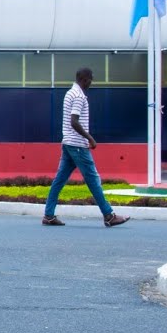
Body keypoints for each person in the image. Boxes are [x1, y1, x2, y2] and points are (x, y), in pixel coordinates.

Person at [42, 67, 129, 228]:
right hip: (77, 145)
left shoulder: (70, 93)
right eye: (91, 79)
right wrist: (90, 138)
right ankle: (109, 215)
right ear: (85, 79)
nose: (91, 83)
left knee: (59, 180)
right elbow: (74, 121)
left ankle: (48, 215)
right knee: (93, 180)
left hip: (68, 143)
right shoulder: (79, 96)